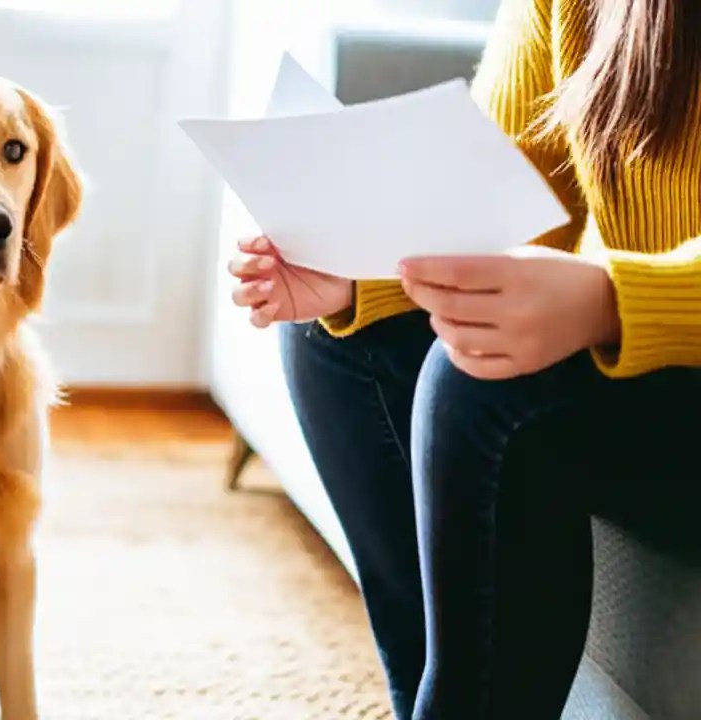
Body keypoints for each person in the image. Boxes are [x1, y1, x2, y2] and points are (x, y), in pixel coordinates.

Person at [228, 0, 701, 718]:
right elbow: (506, 189)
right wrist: (363, 275)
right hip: (643, 363)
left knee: (484, 389)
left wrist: (610, 301)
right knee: (341, 333)